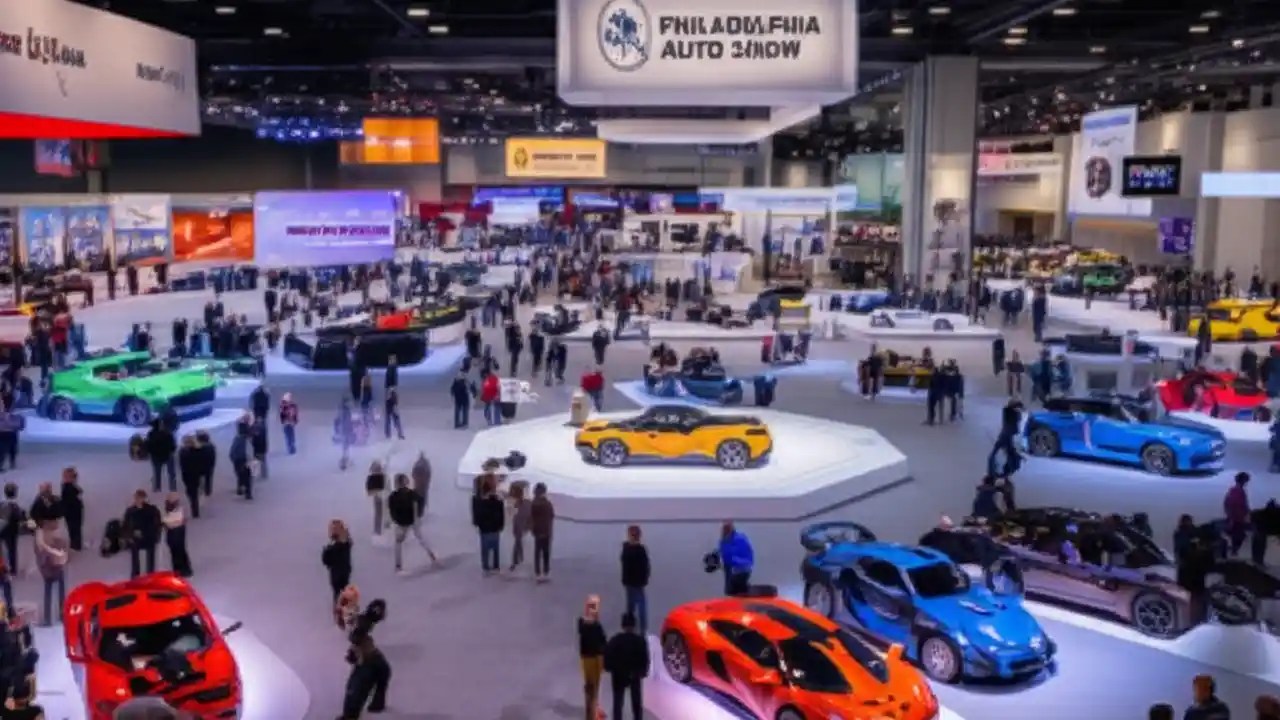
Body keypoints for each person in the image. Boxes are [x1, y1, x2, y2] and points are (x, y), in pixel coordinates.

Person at [388, 474, 438, 574]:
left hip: (403, 523)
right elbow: (420, 502)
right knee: (420, 539)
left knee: (399, 543)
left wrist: (396, 520)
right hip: (410, 521)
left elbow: (392, 510)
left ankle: (398, 565)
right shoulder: (411, 494)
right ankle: (431, 555)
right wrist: (418, 515)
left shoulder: (395, 496)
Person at [604, 612, 649, 720]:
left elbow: (607, 656)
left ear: (622, 625)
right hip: (634, 675)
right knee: (636, 703)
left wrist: (611, 668)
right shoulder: (639, 641)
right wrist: (642, 672)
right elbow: (644, 658)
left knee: (618, 703)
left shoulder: (615, 640)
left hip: (618, 676)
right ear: (634, 626)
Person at [33, 519, 67, 627]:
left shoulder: (41, 538)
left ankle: (50, 618)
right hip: (52, 566)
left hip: (50, 567)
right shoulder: (48, 537)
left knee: (51, 593)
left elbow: (39, 554)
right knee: (59, 592)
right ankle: (60, 615)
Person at [123, 489, 161, 578]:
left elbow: (156, 524)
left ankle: (151, 577)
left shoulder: (151, 510)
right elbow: (125, 525)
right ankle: (135, 577)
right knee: (135, 560)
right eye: (136, 498)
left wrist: (150, 533)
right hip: (135, 539)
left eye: (139, 498)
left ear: (144, 498)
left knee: (150, 559)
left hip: (149, 538)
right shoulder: (130, 511)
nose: (137, 500)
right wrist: (129, 536)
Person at [620, 525, 650, 636]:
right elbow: (646, 566)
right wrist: (645, 578)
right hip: (638, 582)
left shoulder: (627, 549)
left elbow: (624, 564)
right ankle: (642, 629)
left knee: (631, 605)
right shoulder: (641, 550)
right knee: (640, 605)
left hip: (630, 582)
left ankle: (630, 626)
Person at [472, 477, 505, 575]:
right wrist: (501, 524)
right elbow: (501, 512)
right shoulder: (497, 500)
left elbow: (477, 514)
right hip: (494, 527)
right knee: (495, 547)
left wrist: (477, 523)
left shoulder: (478, 500)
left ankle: (486, 567)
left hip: (485, 528)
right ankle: (495, 566)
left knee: (485, 548)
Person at [988, 398, 1023, 477]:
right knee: (1008, 452)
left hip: (1006, 434)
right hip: (1008, 435)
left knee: (1005, 451)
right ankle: (1007, 468)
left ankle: (1005, 468)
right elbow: (1015, 423)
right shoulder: (1013, 414)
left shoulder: (1007, 411)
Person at [717, 522, 753, 596]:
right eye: (724, 530)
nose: (724, 531)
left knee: (736, 590)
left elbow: (747, 556)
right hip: (729, 568)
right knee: (729, 591)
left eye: (726, 529)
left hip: (740, 568)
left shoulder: (740, 539)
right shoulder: (723, 540)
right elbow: (722, 552)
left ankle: (746, 594)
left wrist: (733, 561)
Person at [323, 520, 354, 603]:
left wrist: (327, 551)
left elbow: (326, 560)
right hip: (343, 571)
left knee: (338, 591)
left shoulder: (334, 546)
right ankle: (342, 606)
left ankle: (340, 607)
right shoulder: (345, 544)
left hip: (337, 572)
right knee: (342, 590)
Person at [162, 493, 192, 578]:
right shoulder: (167, 509)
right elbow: (166, 520)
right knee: (174, 551)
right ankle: (177, 569)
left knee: (180, 550)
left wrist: (169, 522)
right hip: (172, 532)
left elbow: (178, 520)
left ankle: (184, 569)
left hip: (178, 531)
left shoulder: (180, 509)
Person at [145, 419, 177, 493]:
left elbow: (148, 446)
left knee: (157, 473)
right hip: (167, 456)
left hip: (156, 457)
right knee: (171, 473)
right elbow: (173, 446)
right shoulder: (167, 433)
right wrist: (171, 451)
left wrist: (151, 453)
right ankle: (173, 488)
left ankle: (157, 488)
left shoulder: (151, 434)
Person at [531, 482, 554, 583]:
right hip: (547, 531)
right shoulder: (547, 504)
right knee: (546, 553)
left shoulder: (534, 504)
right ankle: (546, 572)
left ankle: (537, 573)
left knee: (537, 552)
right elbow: (552, 515)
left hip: (537, 531)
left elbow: (531, 517)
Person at [1225, 471, 1253, 556]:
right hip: (1237, 517)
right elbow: (1233, 504)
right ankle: (1234, 550)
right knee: (1238, 535)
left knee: (1238, 535)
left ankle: (1234, 550)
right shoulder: (1237, 491)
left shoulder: (1235, 490)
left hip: (1238, 517)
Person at [508, 480, 532, 574]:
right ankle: (517, 560)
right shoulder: (525, 503)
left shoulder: (521, 503)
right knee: (519, 542)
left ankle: (516, 560)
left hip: (520, 526)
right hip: (521, 526)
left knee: (518, 542)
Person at [59, 467, 83, 551]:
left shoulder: (66, 487)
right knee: (75, 529)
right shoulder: (68, 488)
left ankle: (76, 544)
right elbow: (77, 493)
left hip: (71, 511)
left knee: (74, 529)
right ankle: (76, 545)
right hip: (72, 512)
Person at [229, 419, 253, 500]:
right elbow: (250, 451)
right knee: (248, 476)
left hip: (238, 460)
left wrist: (233, 458)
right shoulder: (248, 439)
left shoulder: (237, 439)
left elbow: (232, 450)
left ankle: (240, 489)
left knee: (240, 475)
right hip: (246, 459)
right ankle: (248, 493)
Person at [0, 484, 20, 574]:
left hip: (2, 530)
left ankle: (2, 568)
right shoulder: (15, 506)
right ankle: (13, 570)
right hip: (11, 531)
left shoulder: (1, 504)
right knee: (12, 550)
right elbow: (21, 517)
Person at [367, 461, 388, 538]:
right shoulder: (382, 476)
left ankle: (378, 531)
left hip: (381, 498)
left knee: (380, 515)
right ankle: (380, 531)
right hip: (380, 498)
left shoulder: (374, 477)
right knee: (381, 514)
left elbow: (369, 491)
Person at [195, 430, 217, 497]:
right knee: (208, 478)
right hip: (209, 466)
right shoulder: (211, 446)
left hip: (200, 466)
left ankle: (199, 489)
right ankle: (208, 491)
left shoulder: (198, 447)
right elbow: (213, 456)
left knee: (198, 478)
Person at [411, 452, 431, 517]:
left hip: (418, 483)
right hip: (423, 483)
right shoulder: (426, 464)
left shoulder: (417, 464)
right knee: (423, 496)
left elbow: (413, 473)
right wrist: (427, 482)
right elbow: (429, 474)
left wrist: (415, 480)